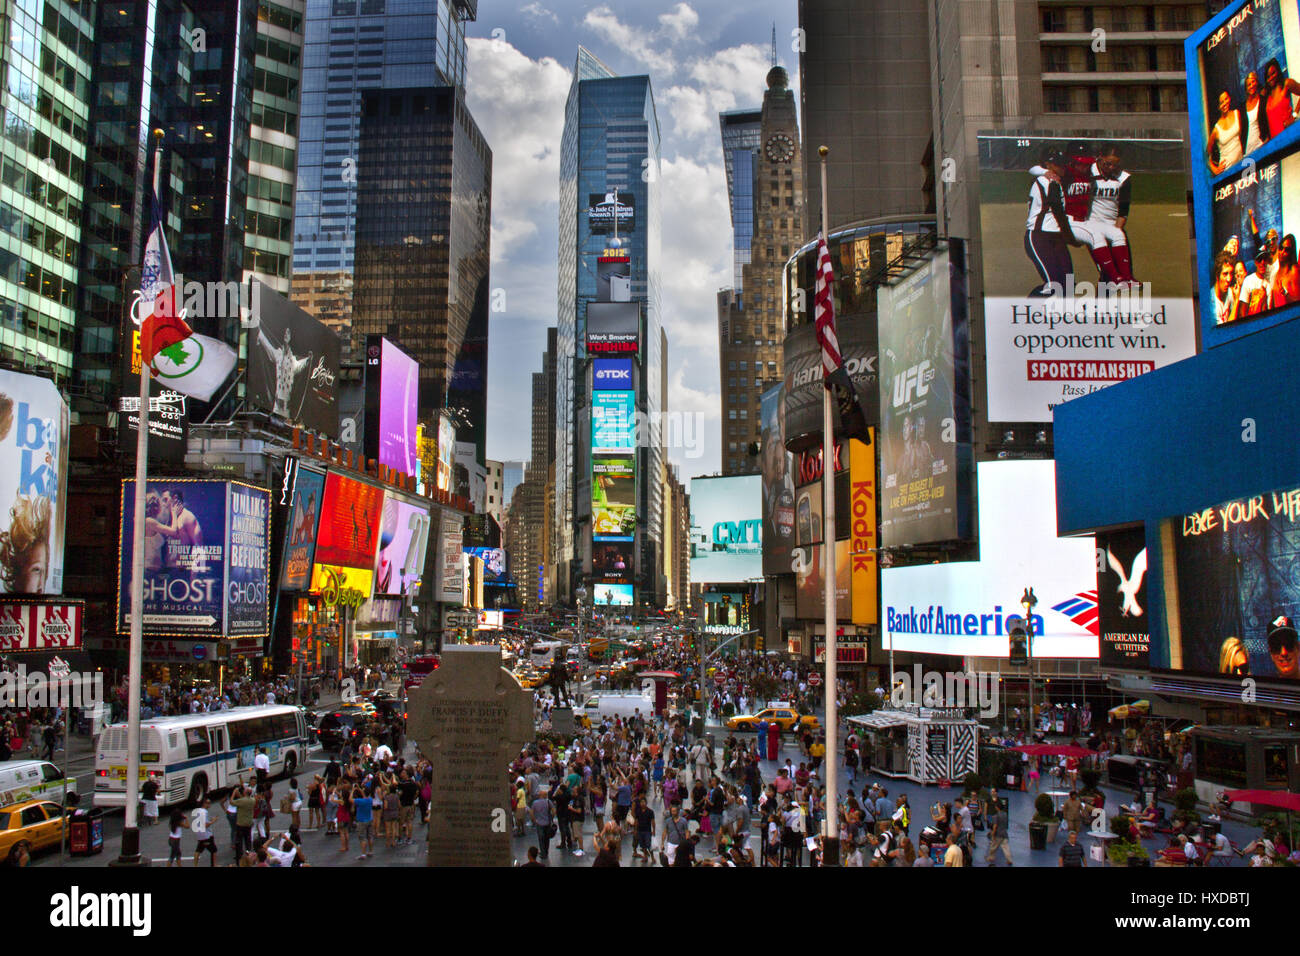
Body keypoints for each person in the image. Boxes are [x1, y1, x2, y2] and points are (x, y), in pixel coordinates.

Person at [1024, 149, 1080, 296]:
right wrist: (1071, 238)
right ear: (1048, 165)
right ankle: (1031, 304)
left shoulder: (1054, 179)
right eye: (1057, 164)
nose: (1062, 167)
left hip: (1056, 237)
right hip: (1039, 236)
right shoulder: (1048, 182)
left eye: (1063, 164)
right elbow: (1058, 212)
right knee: (1054, 285)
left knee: (1068, 285)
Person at [1207, 90, 1246, 175]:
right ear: (1218, 106)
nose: (1225, 103)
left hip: (1241, 165)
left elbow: (1241, 137)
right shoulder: (1216, 130)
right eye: (1221, 102)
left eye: (1226, 99)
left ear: (1229, 99)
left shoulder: (1237, 114)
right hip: (1226, 172)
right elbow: (1207, 153)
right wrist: (1214, 168)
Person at [190, 795, 218, 867]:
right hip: (206, 835)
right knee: (214, 850)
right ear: (204, 804)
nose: (209, 804)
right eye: (208, 803)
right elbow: (205, 825)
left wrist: (210, 820)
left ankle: (195, 865)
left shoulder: (199, 811)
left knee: (199, 849)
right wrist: (213, 821)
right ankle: (214, 865)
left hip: (200, 834)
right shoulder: (204, 812)